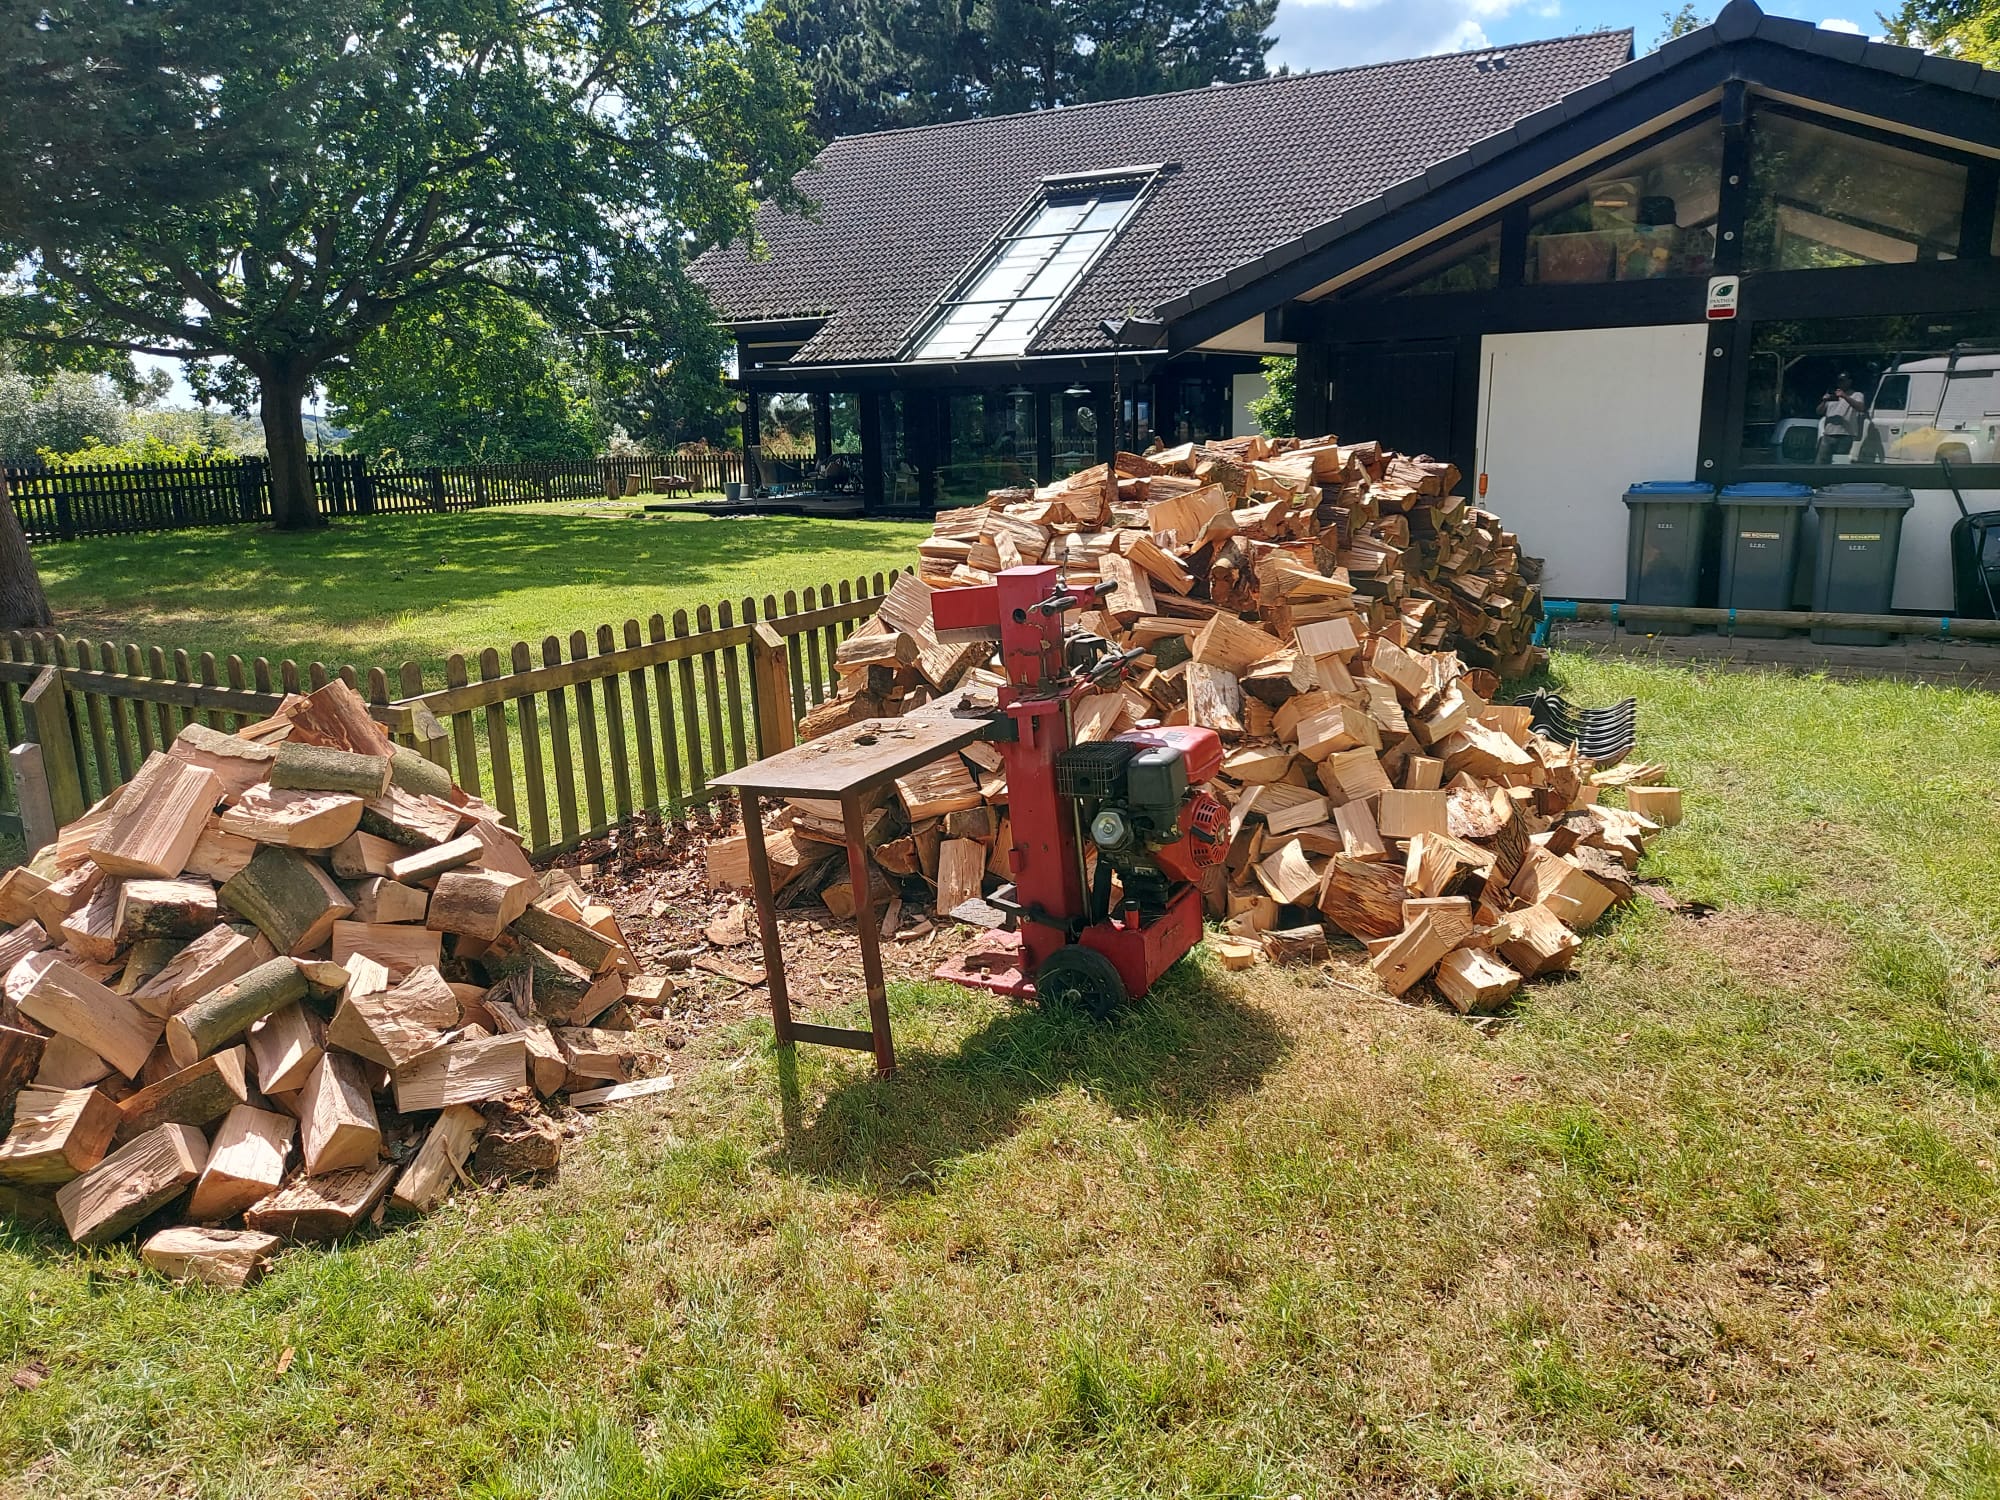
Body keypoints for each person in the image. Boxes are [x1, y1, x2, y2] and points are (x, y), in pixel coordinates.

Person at [1816, 374, 1867, 464]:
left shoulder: (1857, 395)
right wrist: (1824, 401)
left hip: (1845, 435)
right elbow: (1819, 412)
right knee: (1821, 462)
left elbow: (1861, 407)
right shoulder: (1833, 395)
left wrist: (1845, 396)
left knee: (1839, 463)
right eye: (1839, 381)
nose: (1840, 383)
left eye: (1843, 380)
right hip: (1828, 434)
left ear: (1849, 381)